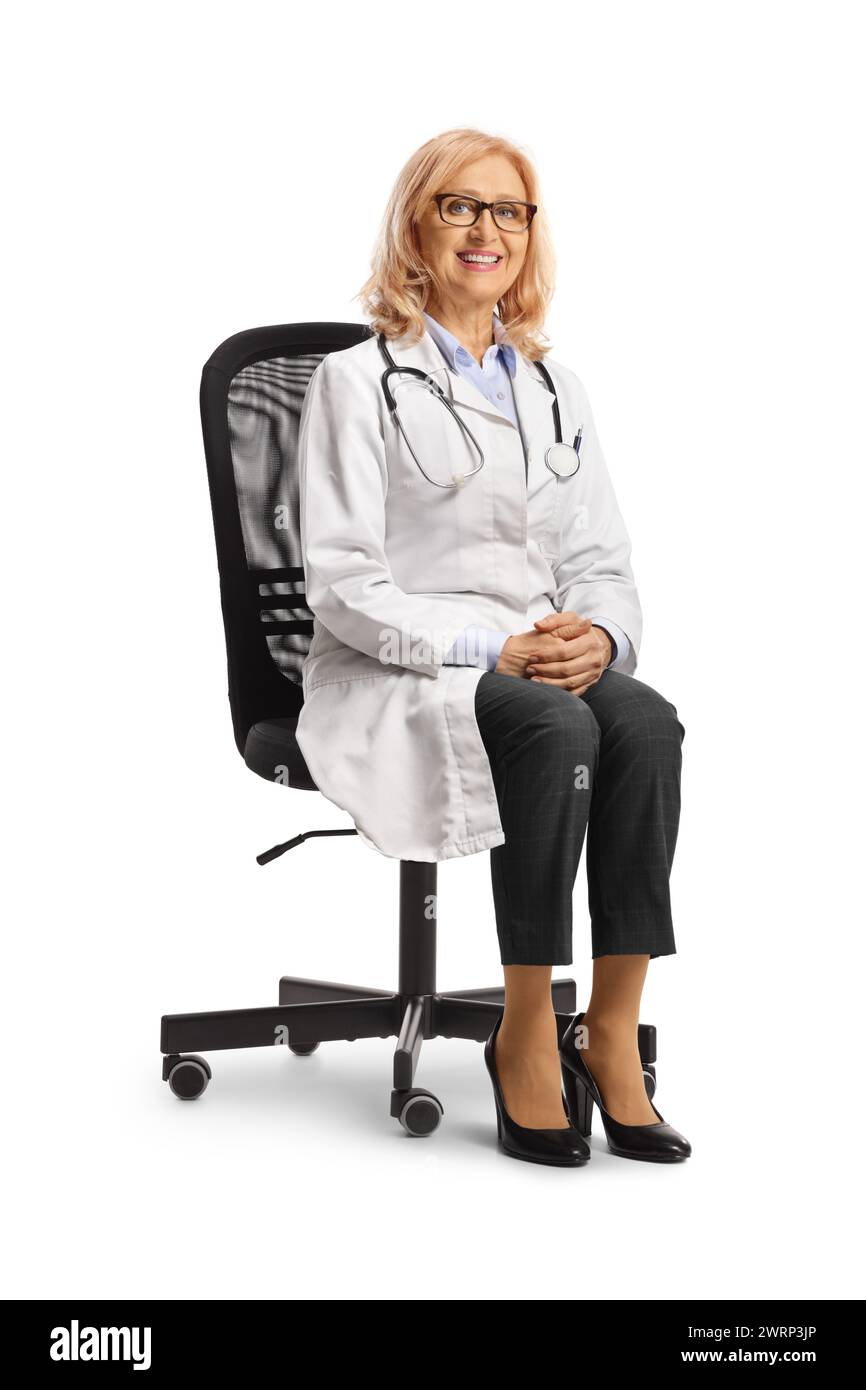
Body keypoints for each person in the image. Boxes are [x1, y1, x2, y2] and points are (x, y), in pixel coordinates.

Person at [296, 126, 690, 1166]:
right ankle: (524, 1027)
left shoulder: (555, 389)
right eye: (458, 207)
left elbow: (601, 557)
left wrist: (595, 636)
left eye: (507, 210)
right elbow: (343, 586)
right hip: (400, 664)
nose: (486, 230)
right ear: (414, 228)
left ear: (529, 234)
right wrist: (495, 647)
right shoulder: (353, 381)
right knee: (551, 722)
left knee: (643, 723)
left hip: (532, 654)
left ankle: (607, 1031)